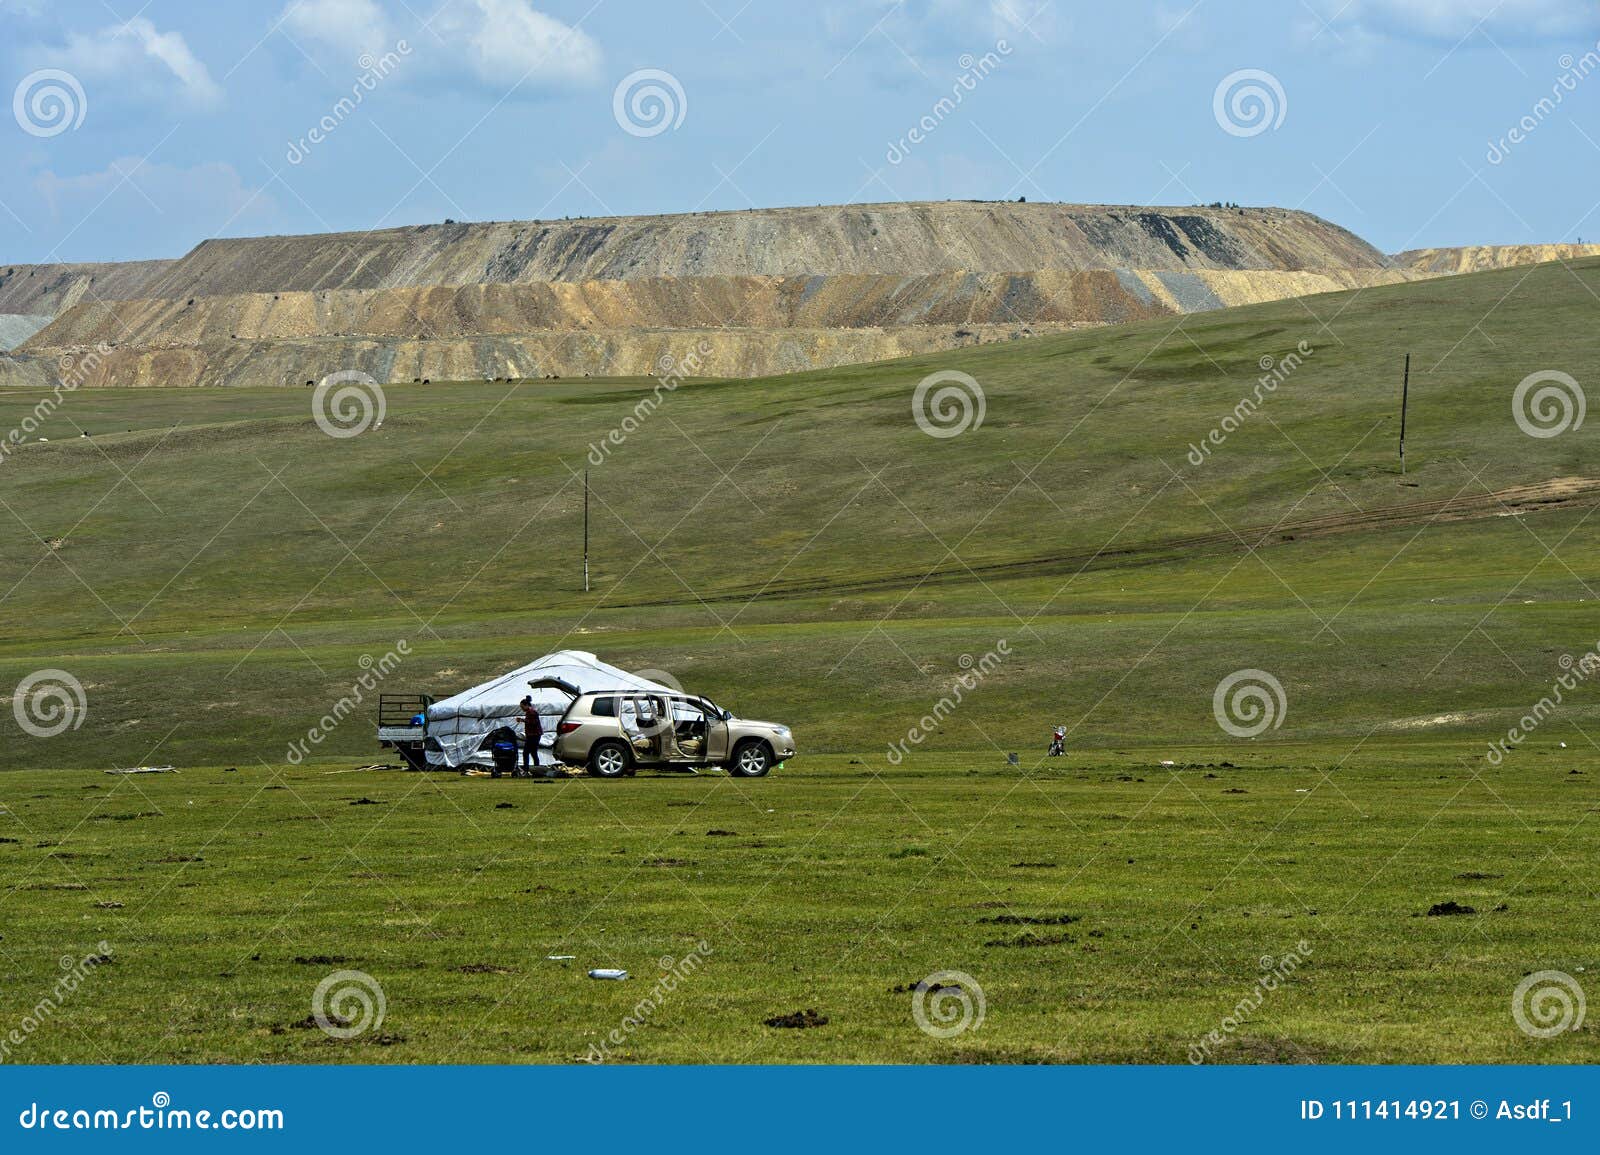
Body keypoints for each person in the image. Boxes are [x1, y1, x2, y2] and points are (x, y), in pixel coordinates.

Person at [519, 695, 543, 776]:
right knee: (533, 753)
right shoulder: (529, 712)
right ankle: (537, 771)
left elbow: (533, 723)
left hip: (534, 735)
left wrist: (522, 720)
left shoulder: (532, 712)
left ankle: (526, 771)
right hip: (533, 735)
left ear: (526, 705)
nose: (521, 708)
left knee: (526, 753)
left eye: (522, 706)